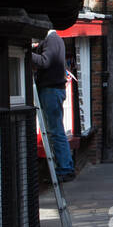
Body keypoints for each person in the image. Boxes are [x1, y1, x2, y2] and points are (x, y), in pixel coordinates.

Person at [32, 29, 75, 182]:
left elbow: (44, 61)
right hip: (52, 90)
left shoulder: (52, 40)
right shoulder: (53, 40)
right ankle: (65, 166)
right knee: (55, 131)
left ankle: (65, 169)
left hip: (51, 90)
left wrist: (25, 53)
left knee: (55, 131)